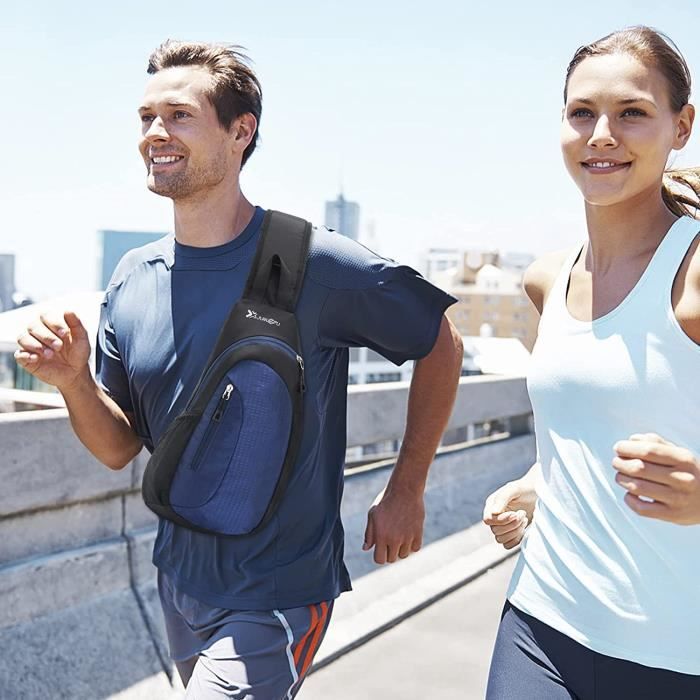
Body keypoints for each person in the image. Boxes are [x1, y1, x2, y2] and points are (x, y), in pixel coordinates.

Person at [14, 40, 463, 699]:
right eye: (145, 118)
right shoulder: (132, 278)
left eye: (179, 115)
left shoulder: (311, 262)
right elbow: (117, 450)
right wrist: (75, 381)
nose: (155, 134)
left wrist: (407, 486)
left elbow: (439, 341)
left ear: (240, 131)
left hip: (278, 593)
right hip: (178, 582)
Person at [482, 26, 700, 699]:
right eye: (583, 113)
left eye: (632, 112)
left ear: (681, 126)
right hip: (539, 626)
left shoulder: (693, 277)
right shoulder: (548, 279)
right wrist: (538, 481)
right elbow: (595, 420)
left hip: (677, 655)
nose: (602, 133)